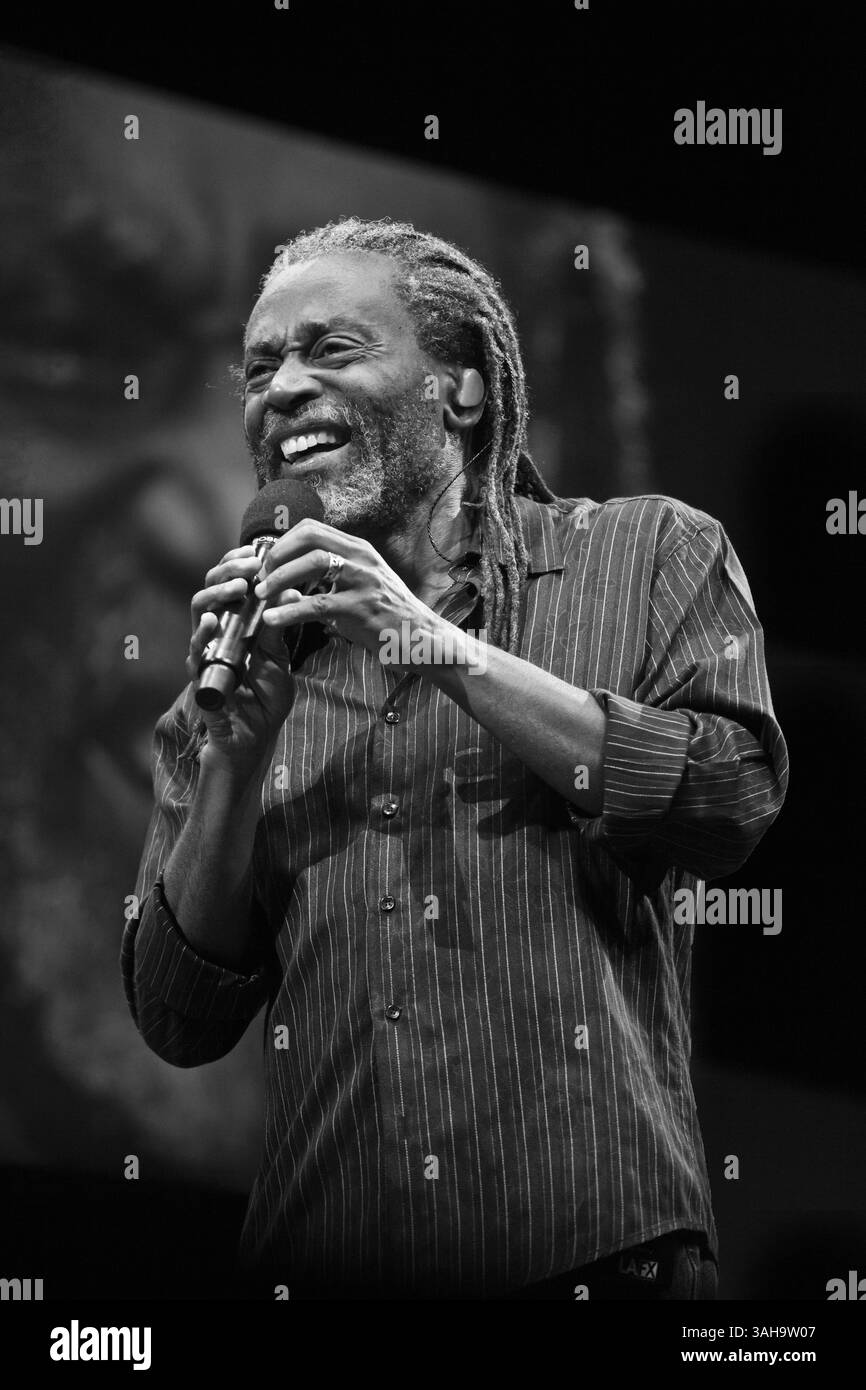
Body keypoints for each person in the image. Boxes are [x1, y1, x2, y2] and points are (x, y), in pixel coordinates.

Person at [121, 217, 788, 1300]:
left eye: (330, 349)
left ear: (463, 387)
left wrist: (430, 643)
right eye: (259, 366)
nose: (279, 388)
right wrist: (234, 765)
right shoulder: (235, 680)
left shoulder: (643, 552)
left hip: (592, 1255)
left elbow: (728, 796)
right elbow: (175, 1017)